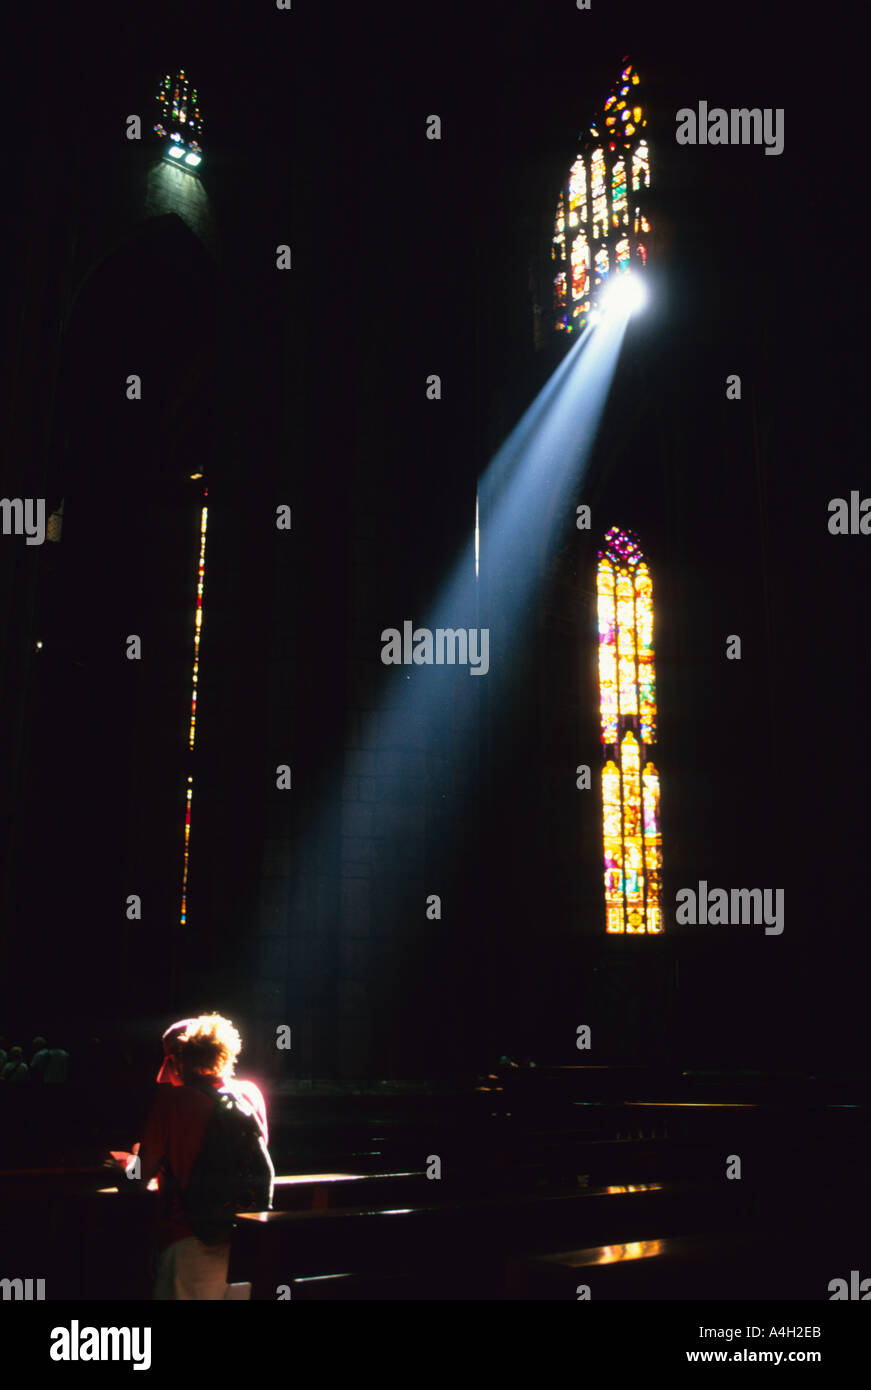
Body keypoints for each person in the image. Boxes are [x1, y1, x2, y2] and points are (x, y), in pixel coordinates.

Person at [115, 1014, 272, 1300]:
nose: (162, 1071)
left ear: (179, 1058)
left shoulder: (173, 1102)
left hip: (189, 1241)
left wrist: (129, 1164)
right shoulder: (250, 1095)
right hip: (244, 1241)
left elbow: (141, 1177)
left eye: (167, 1058)